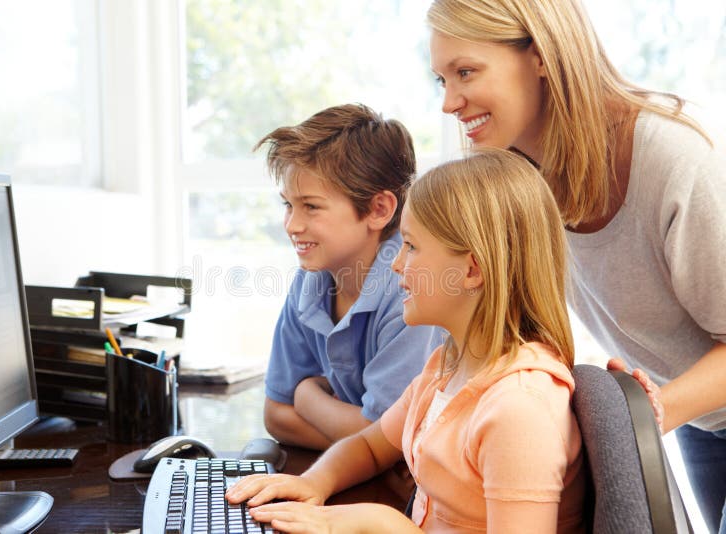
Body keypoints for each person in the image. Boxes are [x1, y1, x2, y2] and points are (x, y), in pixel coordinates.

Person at [425, 1, 726, 531]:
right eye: (441, 79)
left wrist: (637, 418)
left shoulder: (676, 161)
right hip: (706, 420)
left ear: (540, 56)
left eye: (466, 72)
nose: (449, 102)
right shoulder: (522, 177)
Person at [227, 150, 586, 533]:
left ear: (472, 269)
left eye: (411, 247)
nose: (397, 264)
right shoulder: (445, 368)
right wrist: (312, 483)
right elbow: (369, 446)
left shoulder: (519, 408)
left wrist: (381, 523)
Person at [256, 103, 442, 451]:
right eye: (288, 205)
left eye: (311, 206)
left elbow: (390, 437)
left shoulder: (411, 288)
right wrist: (371, 456)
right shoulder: (309, 283)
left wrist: (307, 397)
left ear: (379, 210)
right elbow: (276, 414)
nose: (292, 225)